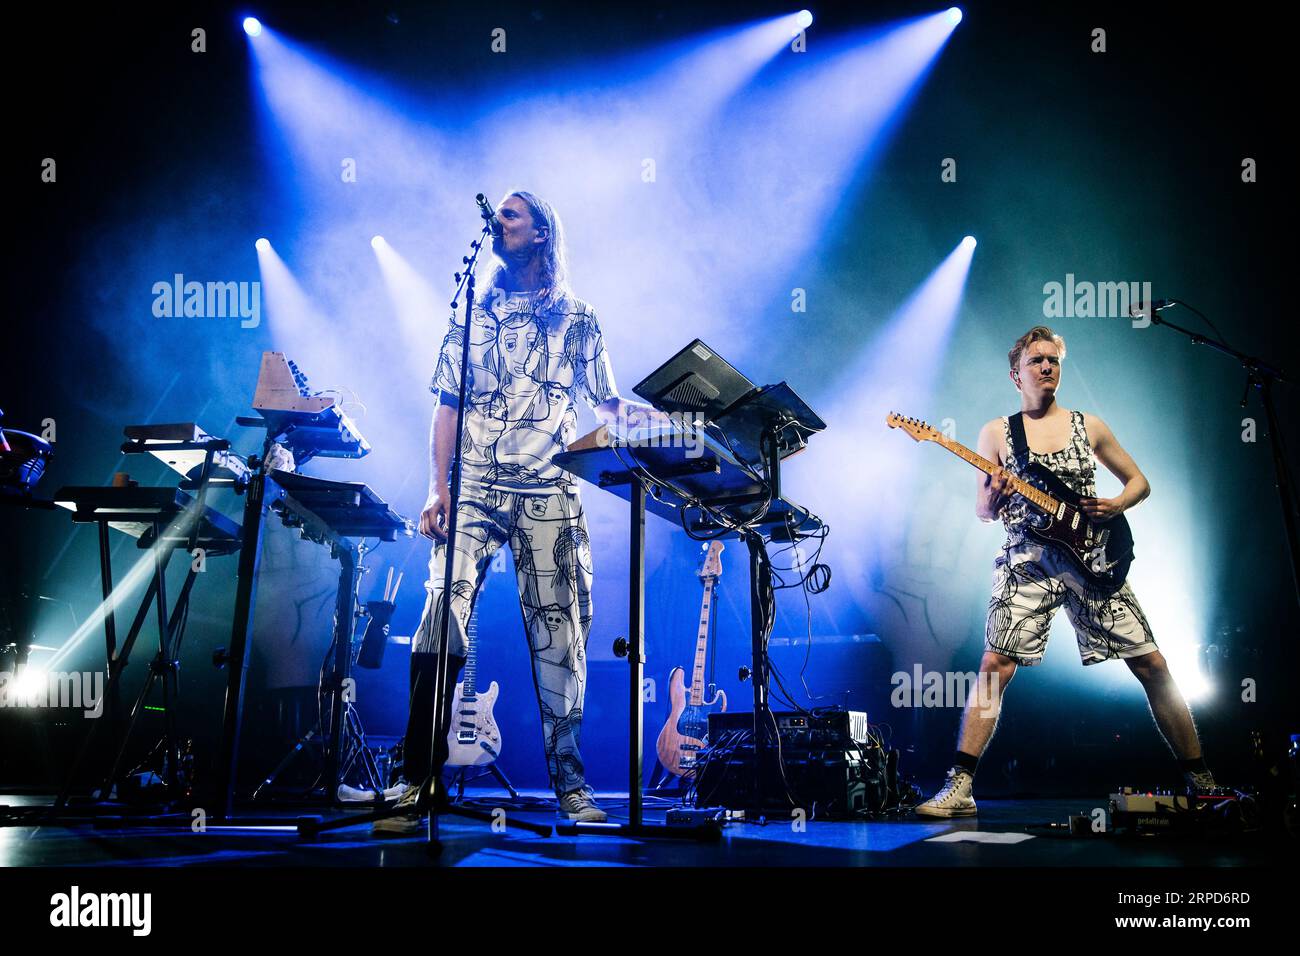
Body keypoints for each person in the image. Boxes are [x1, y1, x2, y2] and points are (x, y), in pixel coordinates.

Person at [375, 190, 654, 835]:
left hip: (549, 486)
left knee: (560, 638)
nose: (497, 223)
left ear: (541, 233)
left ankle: (572, 786)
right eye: (496, 215)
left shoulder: (577, 316)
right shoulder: (474, 308)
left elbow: (606, 403)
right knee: (437, 616)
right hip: (471, 484)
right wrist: (435, 489)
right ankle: (416, 777)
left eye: (511, 215)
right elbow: (446, 404)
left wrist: (659, 422)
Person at [915, 325, 1215, 818]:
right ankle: (960, 786)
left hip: (1092, 560)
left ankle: (1201, 778)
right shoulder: (996, 433)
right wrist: (996, 492)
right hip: (1027, 563)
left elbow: (1139, 480)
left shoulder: (1088, 425)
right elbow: (983, 512)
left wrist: (1116, 504)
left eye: (1053, 359)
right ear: (1017, 374)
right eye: (1037, 360)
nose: (1048, 366)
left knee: (1153, 664)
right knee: (994, 667)